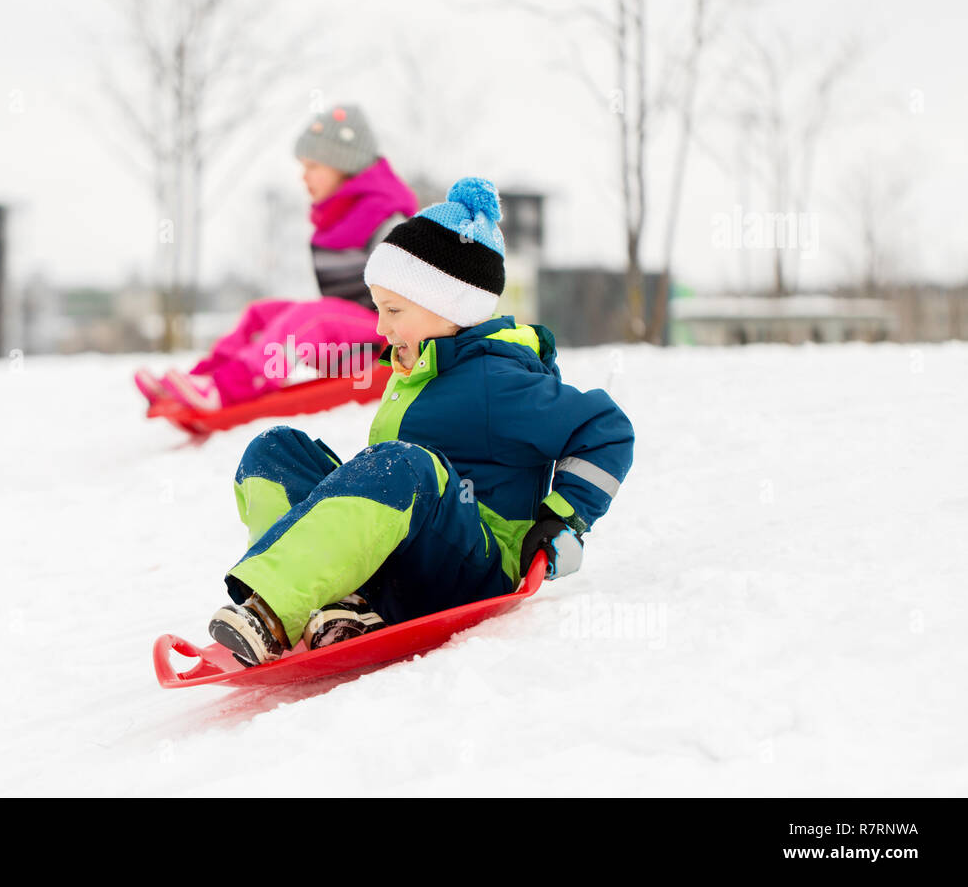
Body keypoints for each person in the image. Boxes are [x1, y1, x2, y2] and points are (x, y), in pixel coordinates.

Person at [205, 177, 635, 666]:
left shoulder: (499, 380)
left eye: (393, 310)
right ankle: (321, 602)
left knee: (403, 466)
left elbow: (607, 428)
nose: (380, 327)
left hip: (472, 566)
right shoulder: (421, 368)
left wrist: (564, 519)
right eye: (377, 308)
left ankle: (274, 613)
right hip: (407, 559)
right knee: (277, 451)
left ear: (448, 308)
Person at [135, 103, 418, 411]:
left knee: (313, 317)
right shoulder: (335, 221)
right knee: (262, 313)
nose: (303, 177)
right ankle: (204, 379)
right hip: (349, 336)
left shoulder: (387, 221)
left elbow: (412, 299)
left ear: (345, 165)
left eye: (313, 167)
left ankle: (238, 384)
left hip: (382, 345)